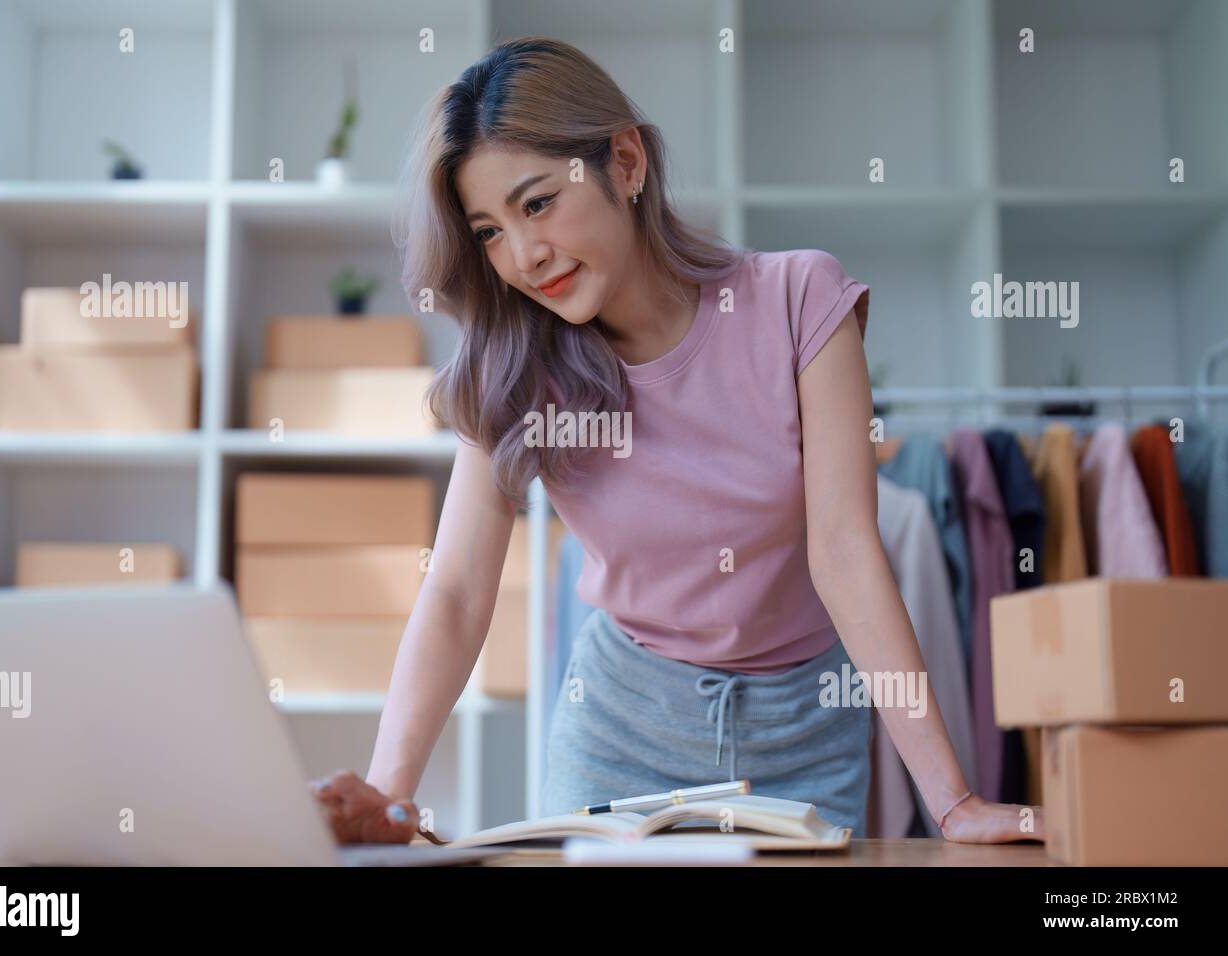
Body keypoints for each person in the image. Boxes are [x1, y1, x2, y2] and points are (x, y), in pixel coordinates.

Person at [311, 36, 1045, 846]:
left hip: (805, 737)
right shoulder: (515, 366)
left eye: (538, 203)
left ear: (625, 163)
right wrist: (387, 797)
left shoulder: (799, 301)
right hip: (617, 732)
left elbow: (844, 551)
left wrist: (953, 801)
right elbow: (455, 592)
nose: (523, 256)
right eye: (488, 231)